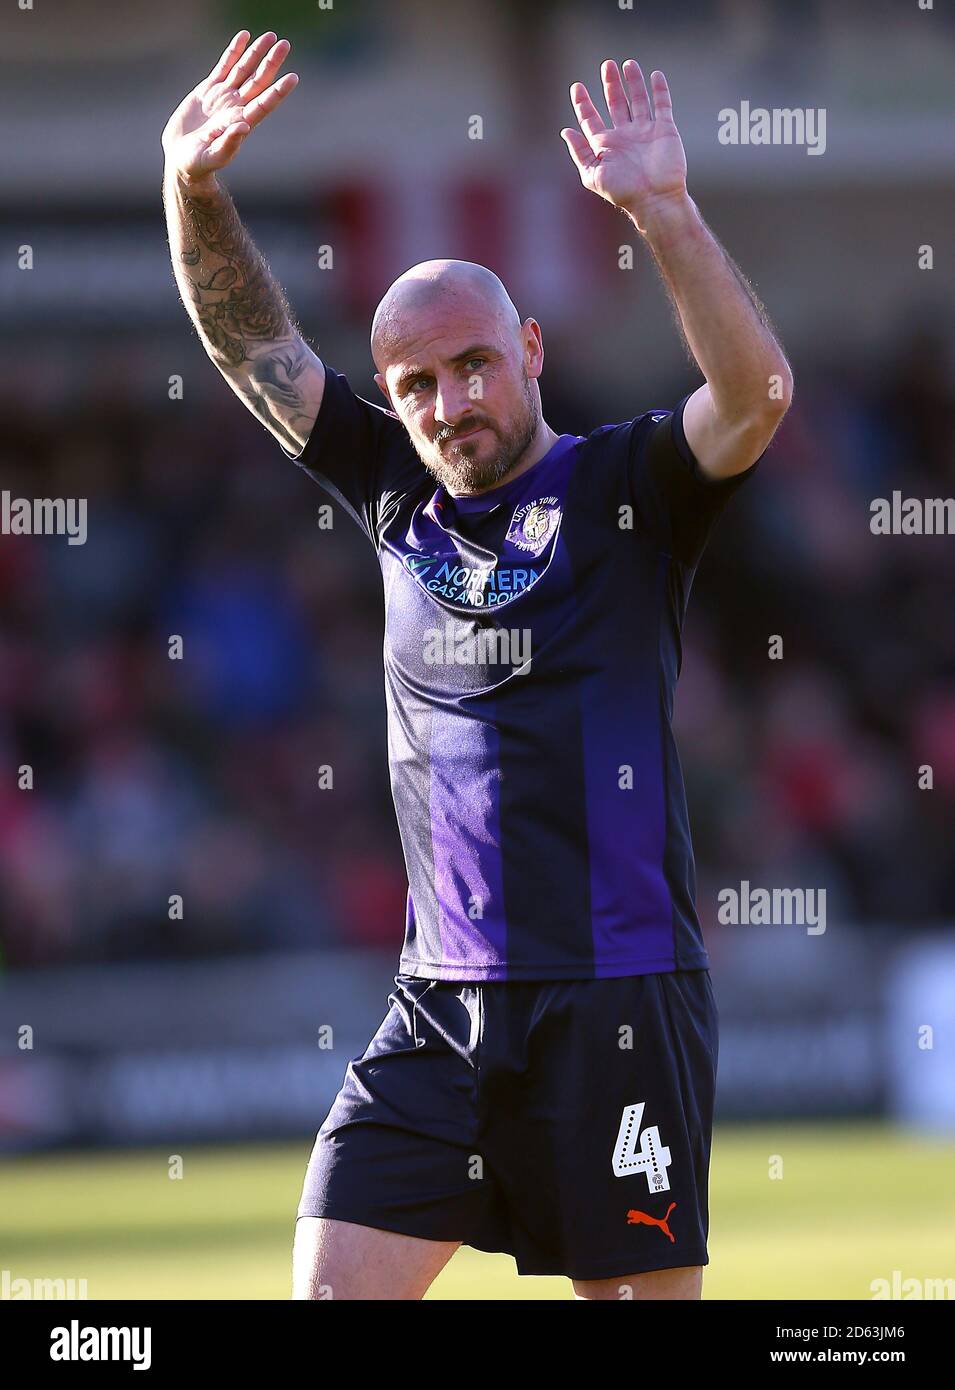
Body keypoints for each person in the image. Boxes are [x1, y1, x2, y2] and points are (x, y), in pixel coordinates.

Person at [162, 31, 793, 1301]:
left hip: (619, 996)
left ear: (533, 352)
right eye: (414, 383)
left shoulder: (630, 488)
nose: (449, 402)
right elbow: (251, 349)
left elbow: (757, 392)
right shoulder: (391, 491)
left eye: (472, 366)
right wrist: (192, 190)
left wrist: (663, 212)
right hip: (441, 1004)